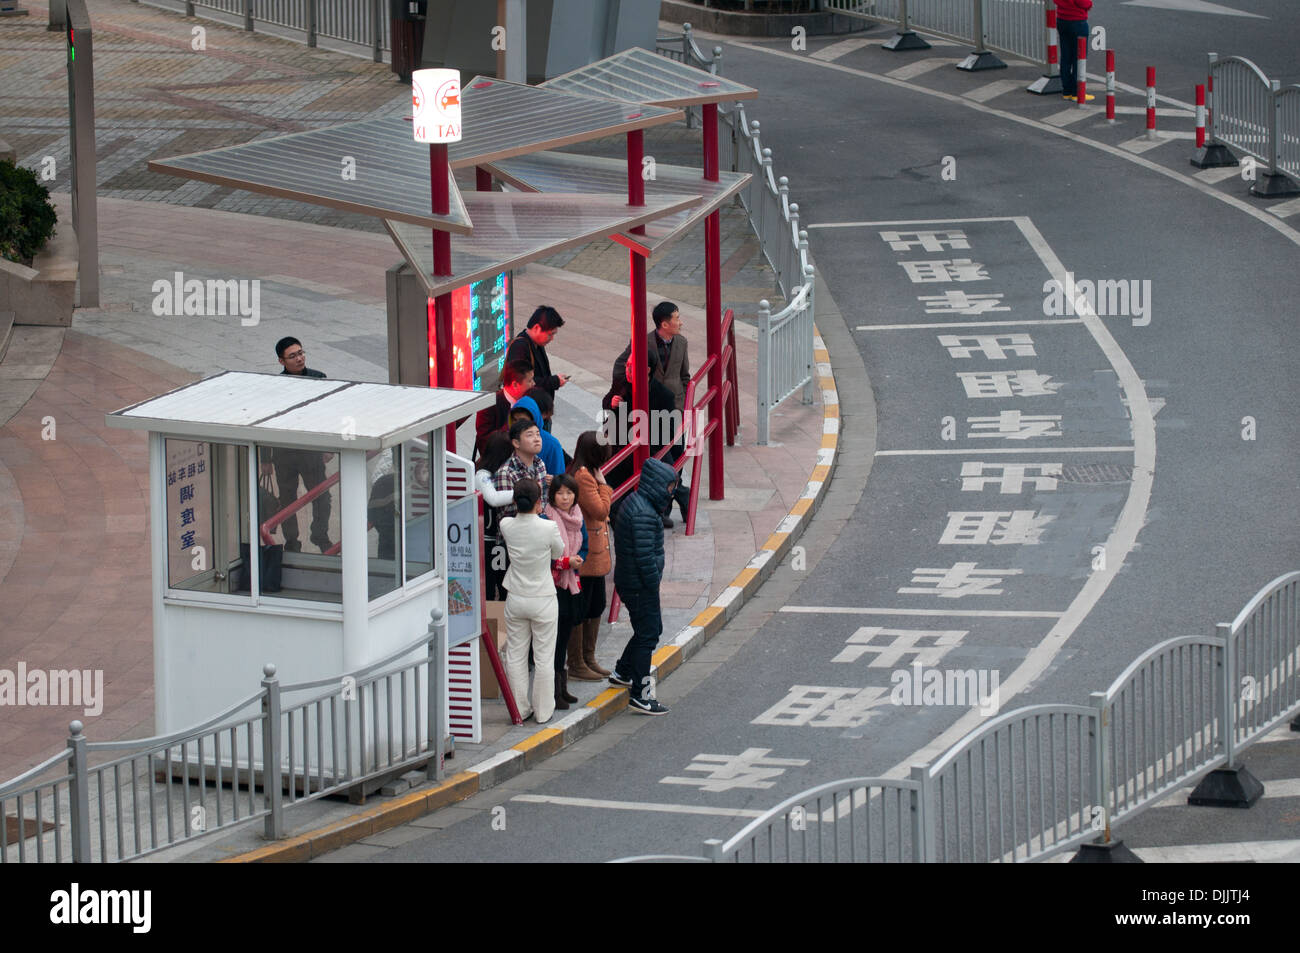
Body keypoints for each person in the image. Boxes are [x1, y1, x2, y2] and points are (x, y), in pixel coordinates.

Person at [609, 457, 676, 715]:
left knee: (647, 630)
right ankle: (640, 694)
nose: (671, 493)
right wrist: (653, 583)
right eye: (670, 487)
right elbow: (645, 558)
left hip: (630, 581)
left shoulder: (637, 504)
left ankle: (622, 671)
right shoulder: (644, 514)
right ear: (658, 485)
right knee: (649, 634)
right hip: (640, 585)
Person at [499, 479, 566, 724]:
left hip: (515, 596)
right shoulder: (548, 528)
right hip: (543, 597)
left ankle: (519, 708)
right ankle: (543, 711)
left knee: (515, 655)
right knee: (544, 657)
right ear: (540, 501)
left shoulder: (506, 524)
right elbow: (558, 552)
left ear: (515, 501)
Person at [260, 337, 332, 553]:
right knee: (288, 498)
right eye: (293, 356)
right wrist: (265, 458)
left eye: (301, 353)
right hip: (285, 454)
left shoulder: (319, 379)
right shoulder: (276, 387)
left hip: (311, 453)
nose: (299, 358)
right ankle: (292, 541)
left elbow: (328, 414)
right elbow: (268, 424)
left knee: (322, 497)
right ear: (281, 361)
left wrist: (328, 446)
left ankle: (320, 535)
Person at [566, 432, 613, 681]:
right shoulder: (584, 477)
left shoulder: (587, 472)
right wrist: (604, 485)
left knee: (596, 606)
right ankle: (577, 662)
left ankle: (589, 657)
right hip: (586, 556)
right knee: (583, 608)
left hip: (594, 555)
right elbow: (600, 510)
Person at [543, 474, 587, 711]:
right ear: (552, 495)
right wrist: (566, 562)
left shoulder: (577, 516)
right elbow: (546, 556)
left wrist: (578, 560)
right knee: (556, 640)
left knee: (567, 633)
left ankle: (562, 687)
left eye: (569, 493)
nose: (565, 497)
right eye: (560, 493)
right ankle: (553, 691)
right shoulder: (547, 518)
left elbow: (585, 545)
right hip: (555, 584)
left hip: (572, 582)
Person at [611, 302, 689, 412]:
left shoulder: (682, 342)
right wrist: (624, 394)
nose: (681, 323)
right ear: (665, 325)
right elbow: (619, 368)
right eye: (677, 319)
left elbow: (684, 375)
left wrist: (684, 400)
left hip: (676, 406)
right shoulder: (641, 342)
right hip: (650, 406)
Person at [475, 432, 516, 601]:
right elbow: (493, 499)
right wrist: (522, 493)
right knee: (490, 587)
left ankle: (500, 624)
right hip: (487, 540)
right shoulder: (482, 475)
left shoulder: (501, 472)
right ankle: (494, 624)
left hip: (499, 539)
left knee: (504, 584)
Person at [474, 360, 534, 462]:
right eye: (530, 381)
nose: (534, 384)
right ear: (515, 384)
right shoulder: (489, 405)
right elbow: (484, 442)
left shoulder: (529, 401)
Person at [505, 305, 569, 400]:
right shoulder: (519, 347)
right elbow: (522, 383)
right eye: (550, 334)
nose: (552, 339)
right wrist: (554, 381)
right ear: (537, 328)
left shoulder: (537, 344)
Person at [493, 418, 549, 518]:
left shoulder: (540, 464)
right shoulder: (506, 472)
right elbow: (505, 514)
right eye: (530, 435)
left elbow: (544, 500)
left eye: (538, 434)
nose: (537, 439)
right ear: (516, 443)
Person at [510, 392, 566, 480]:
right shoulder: (505, 439)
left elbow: (560, 480)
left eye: (523, 420)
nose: (517, 424)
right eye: (514, 420)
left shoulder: (552, 445)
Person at [1057, 0, 1093, 102]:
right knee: (1079, 57)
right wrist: (1089, 4)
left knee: (1065, 57)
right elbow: (1083, 2)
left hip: (1062, 19)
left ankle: (1066, 91)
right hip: (1077, 20)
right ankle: (1077, 92)